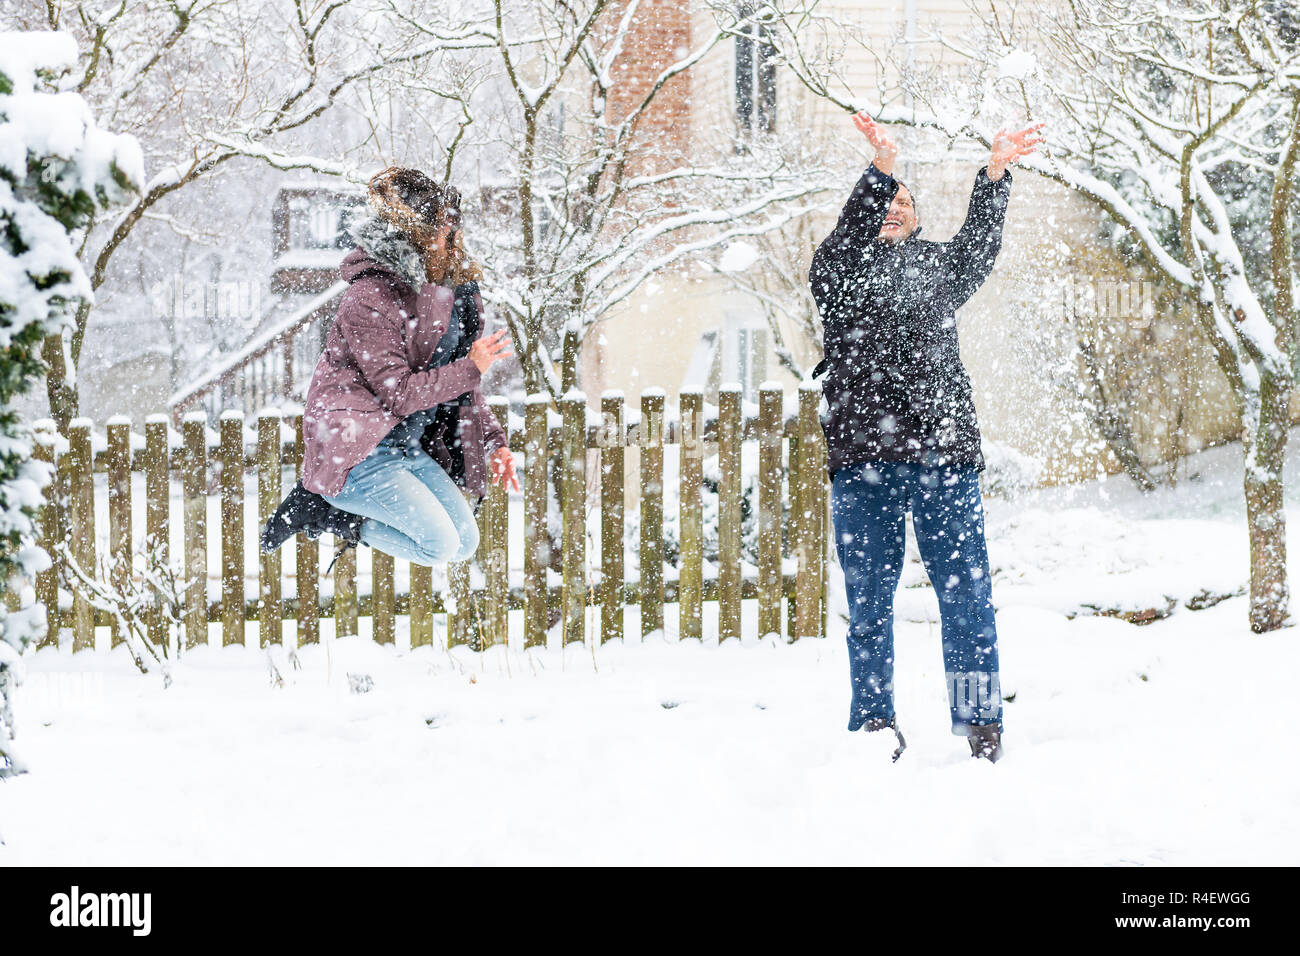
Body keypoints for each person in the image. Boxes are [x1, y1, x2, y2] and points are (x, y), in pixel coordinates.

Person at [809, 112, 1044, 762]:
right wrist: (882, 166)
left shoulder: (939, 268)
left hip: (944, 450)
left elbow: (980, 244)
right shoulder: (838, 271)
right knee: (869, 603)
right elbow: (851, 232)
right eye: (885, 197)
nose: (894, 205)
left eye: (905, 200)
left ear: (917, 218)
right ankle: (875, 725)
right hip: (864, 459)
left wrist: (994, 172)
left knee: (967, 594)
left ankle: (980, 724)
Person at [296, 166, 518, 567]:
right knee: (439, 546)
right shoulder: (370, 298)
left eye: (457, 231)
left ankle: (348, 513)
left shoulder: (446, 293)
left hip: (403, 446)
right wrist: (471, 366)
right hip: (359, 451)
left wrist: (494, 442)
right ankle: (333, 513)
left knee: (465, 543)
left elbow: (460, 382)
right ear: (419, 234)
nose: (457, 241)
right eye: (447, 233)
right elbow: (401, 392)